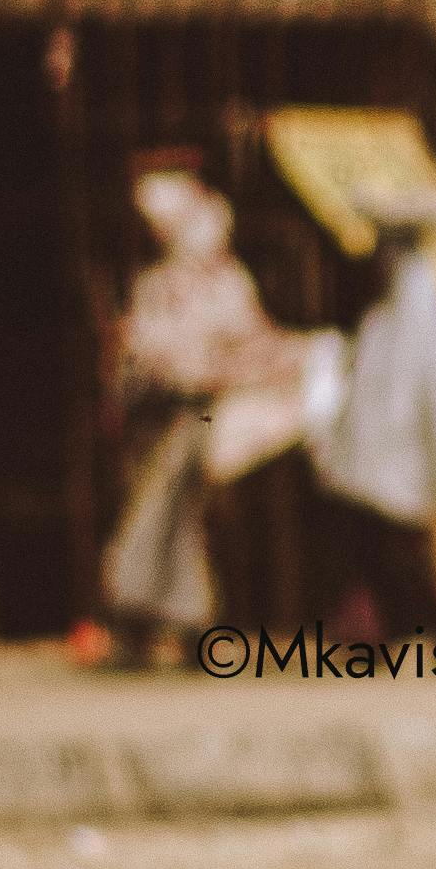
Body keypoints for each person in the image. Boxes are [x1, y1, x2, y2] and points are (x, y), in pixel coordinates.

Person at [95, 163, 314, 663]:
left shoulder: (225, 283)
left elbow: (250, 344)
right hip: (159, 414)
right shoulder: (159, 285)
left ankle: (172, 621)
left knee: (174, 513)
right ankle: (164, 621)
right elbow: (146, 354)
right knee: (166, 514)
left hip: (207, 415)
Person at [318, 213, 436, 638]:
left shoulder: (426, 308)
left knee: (432, 549)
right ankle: (401, 633)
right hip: (381, 462)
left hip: (417, 461)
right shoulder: (381, 314)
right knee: (386, 551)